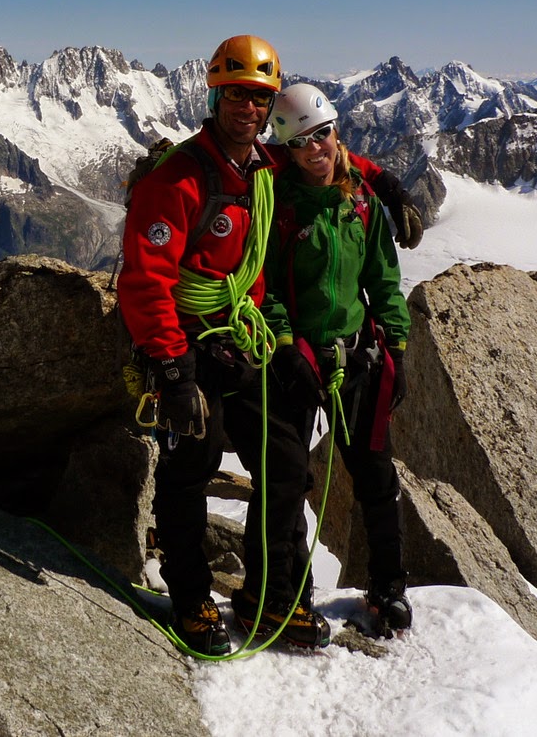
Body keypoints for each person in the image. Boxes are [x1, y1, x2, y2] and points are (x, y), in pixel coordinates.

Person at [119, 35, 331, 654]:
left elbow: (255, 271)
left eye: (260, 98)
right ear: (215, 95)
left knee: (287, 459)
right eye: (237, 94)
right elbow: (146, 277)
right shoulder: (179, 178)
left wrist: (285, 343)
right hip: (183, 342)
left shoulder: (261, 173)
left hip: (236, 337)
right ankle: (190, 597)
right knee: (193, 460)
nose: (249, 107)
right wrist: (173, 369)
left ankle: (268, 598)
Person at [259, 82, 415, 635]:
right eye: (302, 142)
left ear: (335, 132)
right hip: (297, 359)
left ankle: (389, 588)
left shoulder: (361, 204)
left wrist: (395, 343)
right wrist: (282, 342)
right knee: (285, 477)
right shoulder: (276, 206)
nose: (316, 148)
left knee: (375, 476)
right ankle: (281, 593)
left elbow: (384, 282)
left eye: (322, 134)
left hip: (357, 357)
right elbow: (265, 285)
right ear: (288, 149)